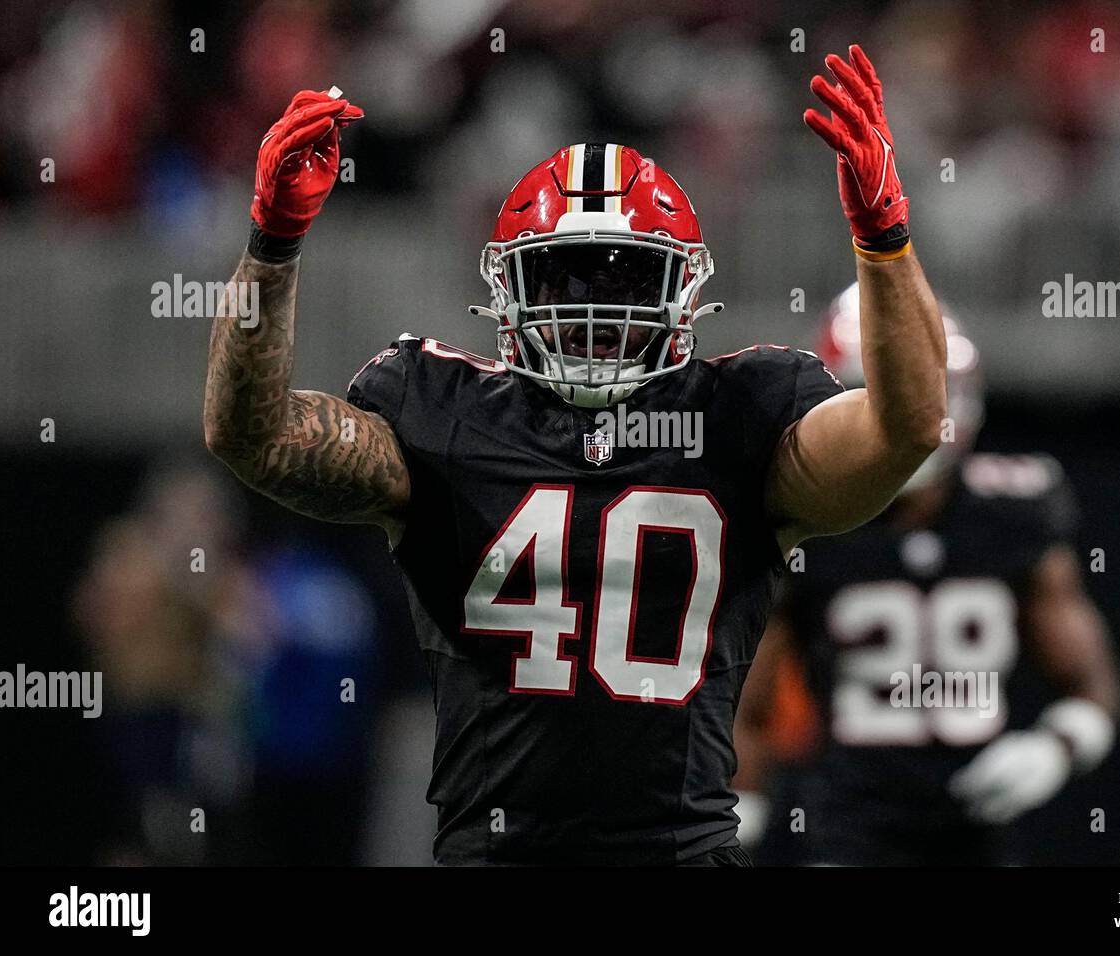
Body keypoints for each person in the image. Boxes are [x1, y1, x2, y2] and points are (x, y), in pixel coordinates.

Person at [203, 47, 947, 865]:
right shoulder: (438, 406)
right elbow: (254, 437)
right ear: (510, 288)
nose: (594, 303)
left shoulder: (742, 413)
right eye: (564, 276)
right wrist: (271, 248)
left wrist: (885, 237)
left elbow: (909, 426)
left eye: (626, 277)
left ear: (684, 289)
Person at [734, 294, 1120, 865]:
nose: (915, 416)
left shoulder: (1011, 509)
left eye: (928, 392)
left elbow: (1091, 684)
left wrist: (1056, 748)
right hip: (847, 835)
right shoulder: (805, 522)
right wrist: (738, 820)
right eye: (890, 397)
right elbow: (751, 708)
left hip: (979, 834)